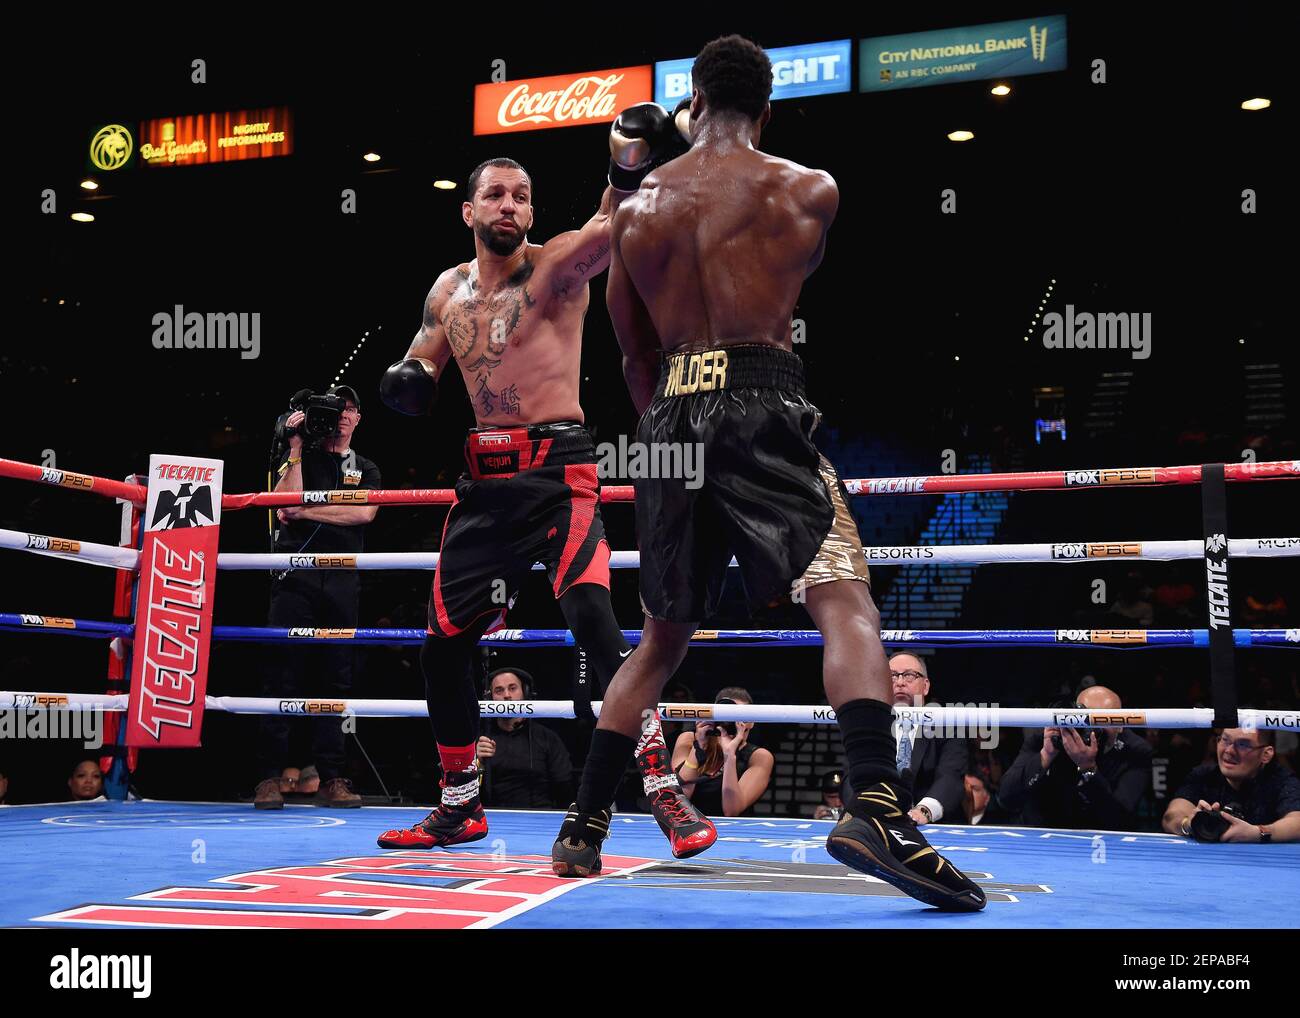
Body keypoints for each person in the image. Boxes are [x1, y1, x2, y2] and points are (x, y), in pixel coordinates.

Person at [551, 34, 986, 911]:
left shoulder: (633, 213)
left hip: (669, 413)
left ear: (695, 102)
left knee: (662, 637)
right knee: (844, 601)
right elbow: (792, 281)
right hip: (761, 399)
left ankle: (583, 826)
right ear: (769, 108)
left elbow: (631, 348)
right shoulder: (808, 189)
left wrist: (669, 428)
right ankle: (873, 807)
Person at [376, 120, 713, 857]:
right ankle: (460, 803)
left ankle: (662, 791)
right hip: (485, 484)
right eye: (494, 194)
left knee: (595, 622)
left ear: (531, 213)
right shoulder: (446, 290)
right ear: (468, 211)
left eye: (521, 197)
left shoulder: (558, 266)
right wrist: (409, 382)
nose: (509, 205)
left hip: (560, 474)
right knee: (440, 649)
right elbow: (422, 364)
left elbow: (611, 222)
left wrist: (630, 163)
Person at [254, 385, 379, 809]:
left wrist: (307, 509)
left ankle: (332, 778)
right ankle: (269, 776)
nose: (342, 414)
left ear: (359, 417)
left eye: (349, 408)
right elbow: (284, 503)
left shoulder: (367, 467)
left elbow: (362, 512)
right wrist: (293, 445)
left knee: (335, 679)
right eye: (335, 408)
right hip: (295, 579)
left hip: (343, 583)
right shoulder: (299, 458)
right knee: (281, 673)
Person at [997, 685, 1153, 830]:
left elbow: (1119, 820)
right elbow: (1006, 799)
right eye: (1087, 719)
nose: (1093, 728)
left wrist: (1088, 768)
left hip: (1101, 839)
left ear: (1120, 725)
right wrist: (1046, 756)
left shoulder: (1135, 750)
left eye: (1103, 720)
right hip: (1046, 834)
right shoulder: (1049, 736)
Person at [1161, 726, 1300, 843]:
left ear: (1266, 754)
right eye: (1225, 740)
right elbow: (1172, 815)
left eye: (1243, 744)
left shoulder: (1282, 780)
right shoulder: (1204, 774)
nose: (1229, 751)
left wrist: (1257, 833)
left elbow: (1297, 822)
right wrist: (1188, 823)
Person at [476, 667, 573, 808]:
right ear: (490, 698)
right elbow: (462, 793)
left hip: (542, 817)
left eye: (512, 688)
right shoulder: (480, 740)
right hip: (491, 818)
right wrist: (477, 763)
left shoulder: (547, 738)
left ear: (525, 692)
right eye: (499, 690)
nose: (507, 695)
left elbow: (564, 787)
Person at [889, 653, 967, 826]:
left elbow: (951, 776)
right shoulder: (871, 725)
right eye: (892, 676)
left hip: (936, 828)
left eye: (909, 675)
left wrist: (924, 811)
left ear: (925, 686)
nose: (900, 682)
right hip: (879, 824)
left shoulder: (948, 725)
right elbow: (853, 776)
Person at [670, 687, 774, 817]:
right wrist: (698, 747)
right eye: (727, 715)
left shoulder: (760, 757)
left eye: (740, 716)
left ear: (751, 723)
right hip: (689, 826)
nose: (732, 722)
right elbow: (678, 801)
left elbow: (731, 810)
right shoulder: (688, 740)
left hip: (733, 831)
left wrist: (729, 755)